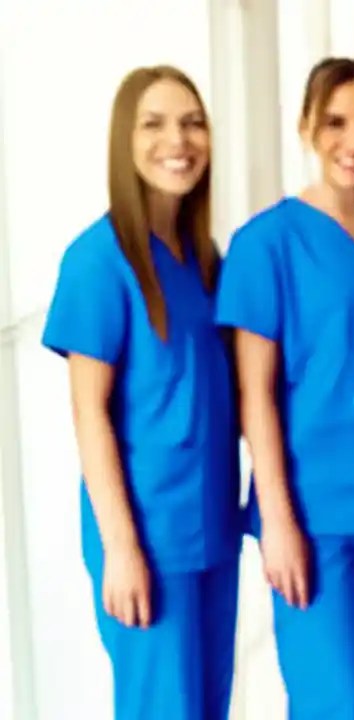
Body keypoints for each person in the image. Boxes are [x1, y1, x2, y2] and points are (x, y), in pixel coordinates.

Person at [215, 58, 354, 719]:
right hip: (314, 520)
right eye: (336, 122)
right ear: (307, 126)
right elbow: (254, 395)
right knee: (334, 702)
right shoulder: (266, 243)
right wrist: (277, 519)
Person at [42, 65, 241, 719]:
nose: (177, 140)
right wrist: (122, 549)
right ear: (123, 140)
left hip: (210, 524)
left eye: (191, 122)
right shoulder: (97, 261)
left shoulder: (200, 256)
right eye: (153, 124)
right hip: (150, 535)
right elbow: (88, 414)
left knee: (207, 705)